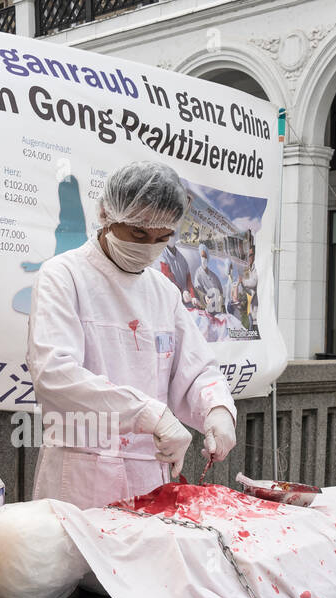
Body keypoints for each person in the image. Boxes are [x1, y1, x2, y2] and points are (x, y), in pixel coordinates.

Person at [27, 160, 238, 510]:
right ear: (106, 213)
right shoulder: (64, 277)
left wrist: (216, 410)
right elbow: (54, 374)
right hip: (82, 476)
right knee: (82, 561)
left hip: (152, 478)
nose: (148, 247)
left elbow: (197, 369)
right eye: (138, 233)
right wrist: (148, 414)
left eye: (162, 238)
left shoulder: (163, 292)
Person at [194, 243, 225, 314]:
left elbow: (220, 290)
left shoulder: (214, 276)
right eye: (202, 256)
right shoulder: (198, 274)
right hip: (207, 308)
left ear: (208, 258)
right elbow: (197, 290)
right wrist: (205, 297)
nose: (203, 259)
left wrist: (220, 297)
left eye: (205, 256)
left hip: (217, 308)